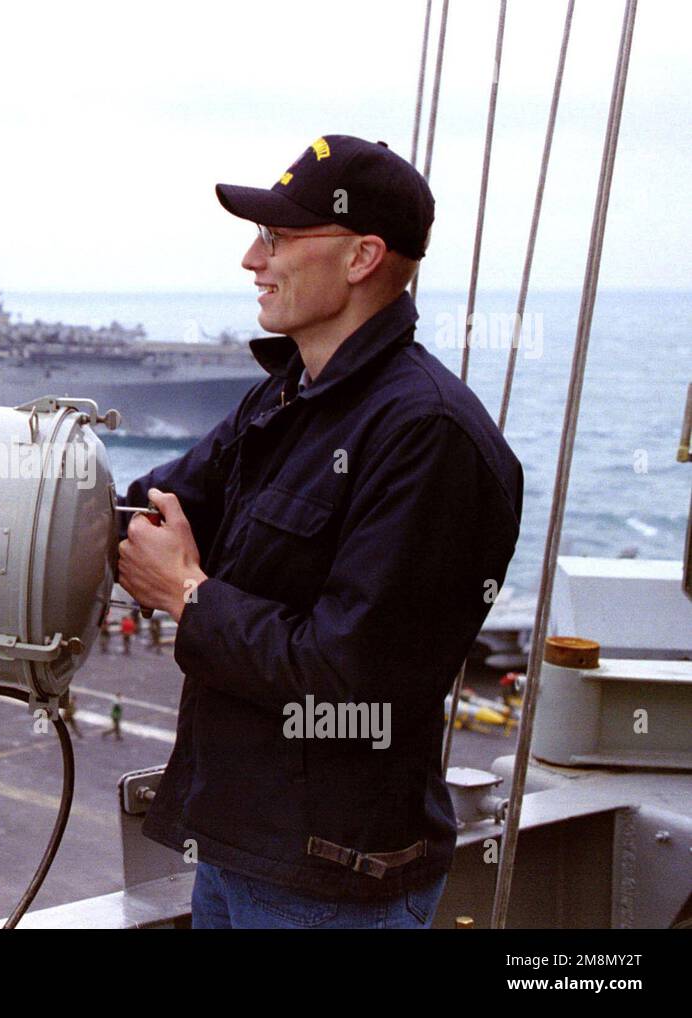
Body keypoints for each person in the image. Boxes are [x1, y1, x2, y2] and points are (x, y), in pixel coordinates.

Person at [116, 136, 522, 929]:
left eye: (277, 237)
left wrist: (191, 597)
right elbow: (153, 503)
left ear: (363, 256)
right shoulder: (284, 398)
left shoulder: (427, 436)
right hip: (239, 847)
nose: (250, 259)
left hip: (333, 875)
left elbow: (355, 677)